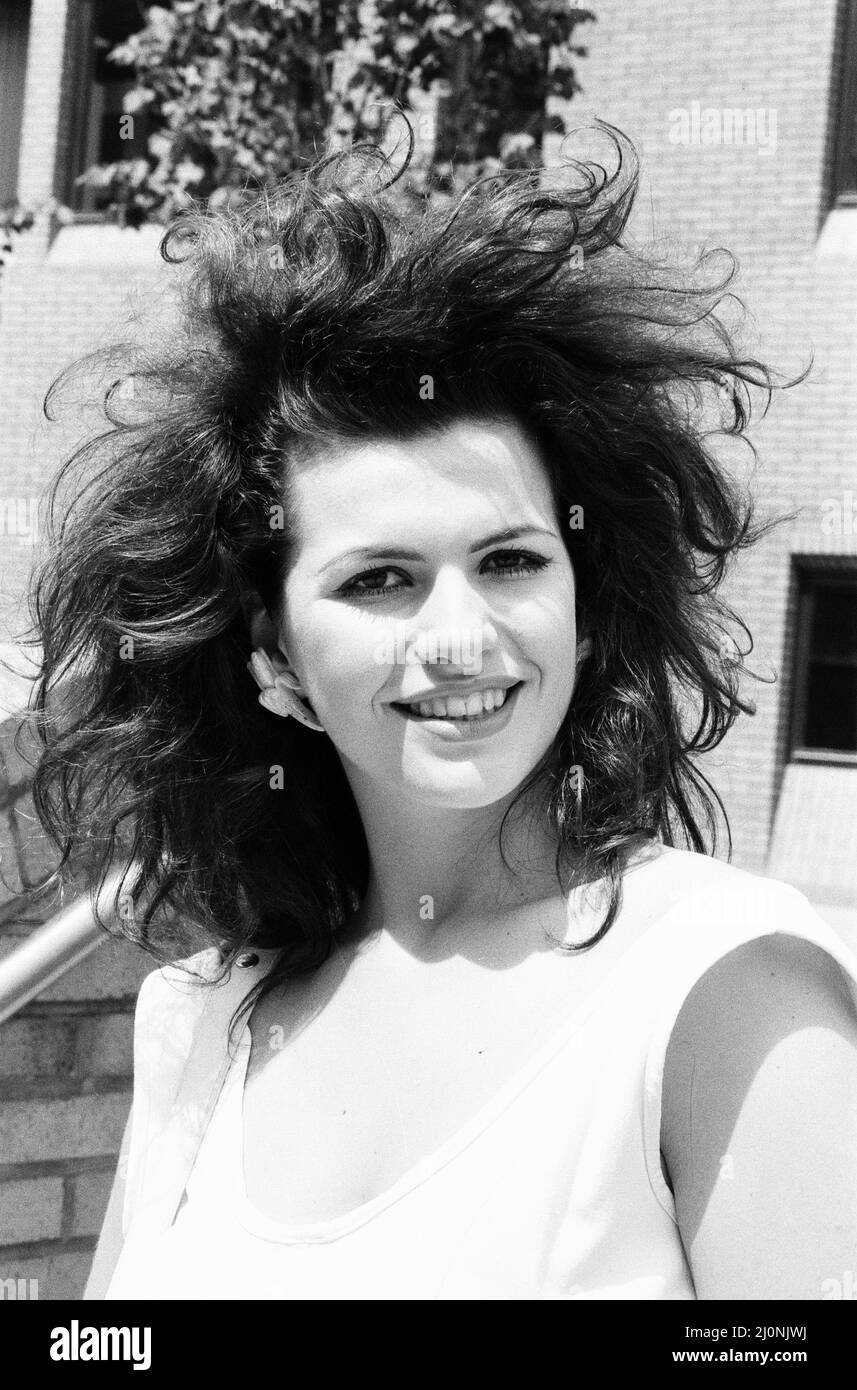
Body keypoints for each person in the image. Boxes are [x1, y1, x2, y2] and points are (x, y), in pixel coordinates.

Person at [29, 122, 857, 1300]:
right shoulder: (201, 1025)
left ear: (581, 607)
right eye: (379, 580)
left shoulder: (727, 993)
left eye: (511, 561)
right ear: (274, 660)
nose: (461, 635)